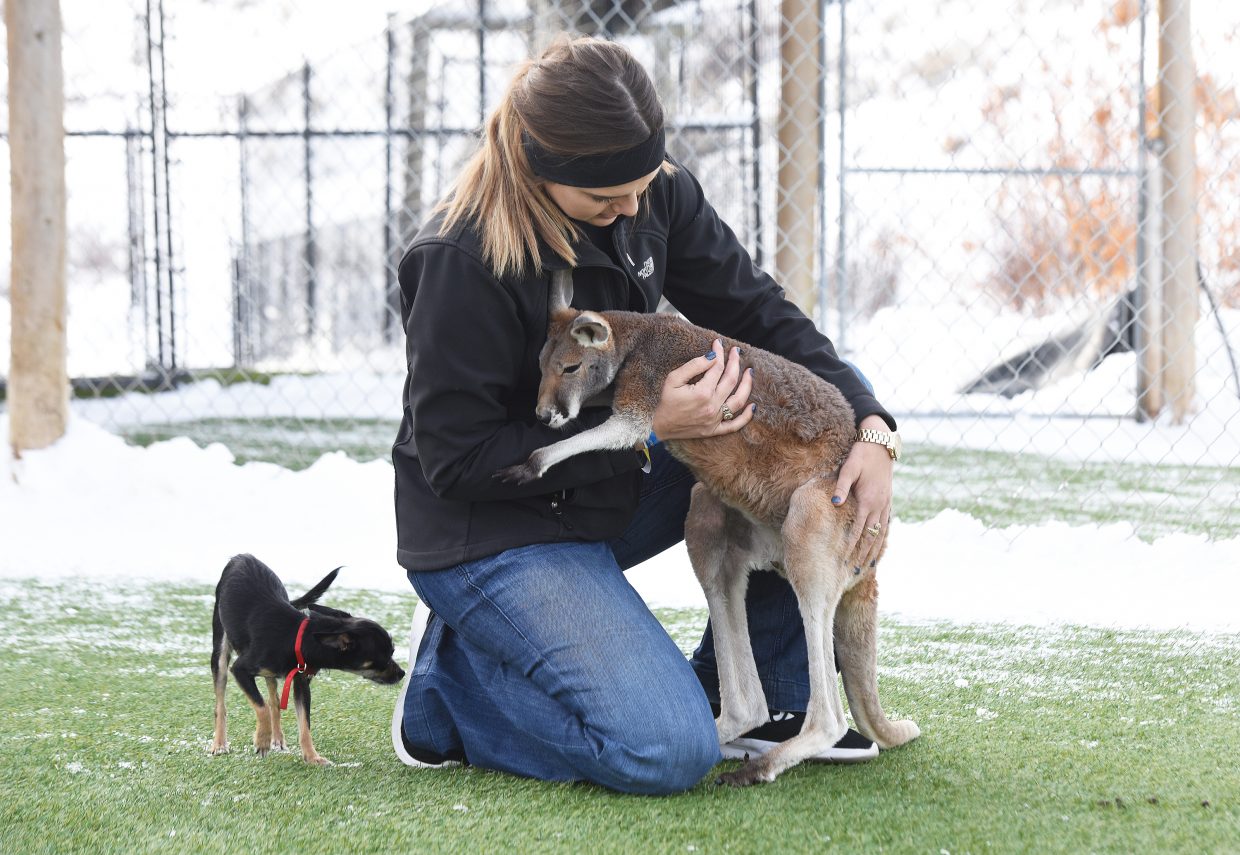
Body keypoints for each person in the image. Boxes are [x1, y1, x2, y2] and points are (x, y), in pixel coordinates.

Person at [389, 35, 900, 796]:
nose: (633, 207)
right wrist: (657, 426)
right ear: (543, 167)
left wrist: (871, 427)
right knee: (664, 749)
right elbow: (455, 461)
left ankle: (761, 690)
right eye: (607, 199)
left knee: (820, 415)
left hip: (612, 478)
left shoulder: (651, 191)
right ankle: (449, 691)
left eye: (643, 184)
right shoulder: (461, 260)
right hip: (491, 529)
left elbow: (757, 313)